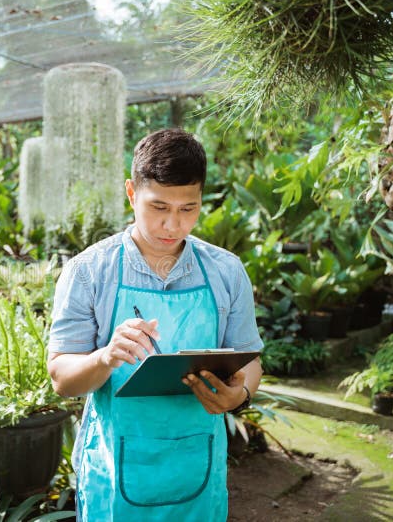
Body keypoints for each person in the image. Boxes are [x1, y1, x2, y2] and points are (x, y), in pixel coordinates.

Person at [47, 128, 264, 521]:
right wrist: (105, 357)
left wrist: (240, 395)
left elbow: (249, 359)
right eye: (158, 207)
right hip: (115, 472)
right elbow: (62, 378)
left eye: (188, 209)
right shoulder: (87, 271)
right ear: (131, 193)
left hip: (198, 467)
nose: (173, 225)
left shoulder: (226, 271)